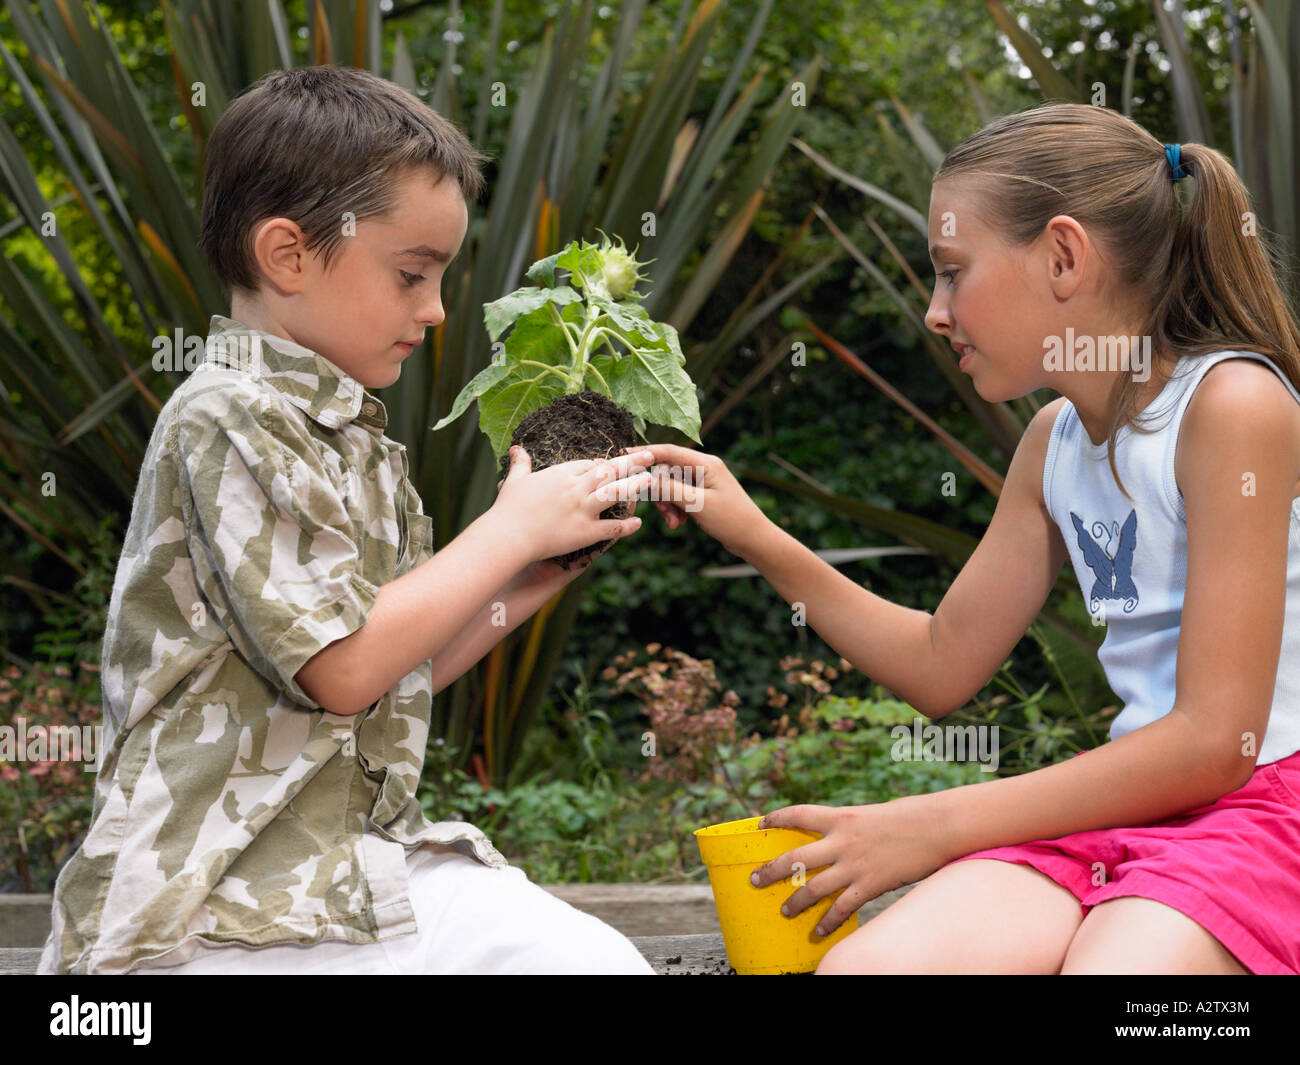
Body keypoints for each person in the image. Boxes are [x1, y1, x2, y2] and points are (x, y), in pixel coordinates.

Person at [631, 102, 1300, 975]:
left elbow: (1218, 741)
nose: (935, 313)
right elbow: (941, 664)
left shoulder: (1234, 407)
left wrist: (928, 822)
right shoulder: (1051, 446)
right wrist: (750, 528)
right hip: (1137, 804)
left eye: (952, 273)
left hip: (1267, 804)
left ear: (1064, 256)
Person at [38, 65, 655, 975]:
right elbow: (339, 669)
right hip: (202, 908)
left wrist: (532, 575)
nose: (437, 309)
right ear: (286, 255)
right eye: (413, 275)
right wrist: (510, 530)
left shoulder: (356, 437)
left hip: (344, 878)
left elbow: (395, 668)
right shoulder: (227, 416)